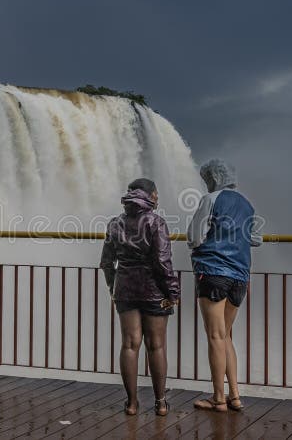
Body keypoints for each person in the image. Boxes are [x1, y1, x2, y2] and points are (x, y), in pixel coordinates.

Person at [187, 159, 262, 412]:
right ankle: (235, 396)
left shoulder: (211, 199)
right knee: (226, 336)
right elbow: (254, 238)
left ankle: (218, 398)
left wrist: (200, 245)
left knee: (215, 336)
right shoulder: (246, 204)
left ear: (214, 177)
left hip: (213, 273)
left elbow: (195, 237)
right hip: (240, 276)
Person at [100, 178, 180, 417]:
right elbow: (163, 263)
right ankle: (161, 403)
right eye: (156, 193)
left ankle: (132, 403)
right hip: (154, 291)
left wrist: (113, 286)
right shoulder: (156, 223)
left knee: (129, 344)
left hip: (125, 289)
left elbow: (106, 262)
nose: (157, 197)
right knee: (156, 346)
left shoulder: (115, 224)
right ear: (150, 196)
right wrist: (172, 293)